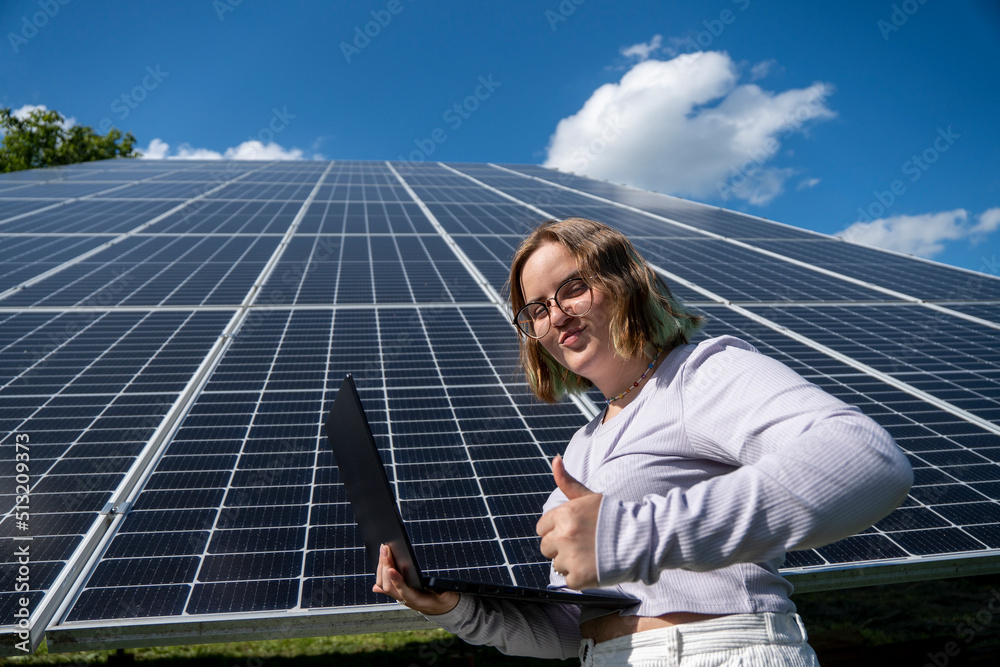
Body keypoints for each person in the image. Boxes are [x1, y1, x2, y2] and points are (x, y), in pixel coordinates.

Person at [374, 217, 913, 665]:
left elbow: (865, 459)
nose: (555, 315)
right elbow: (574, 628)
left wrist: (634, 535)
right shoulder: (585, 445)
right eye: (536, 310)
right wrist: (450, 608)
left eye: (572, 288)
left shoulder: (701, 373)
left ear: (627, 282)